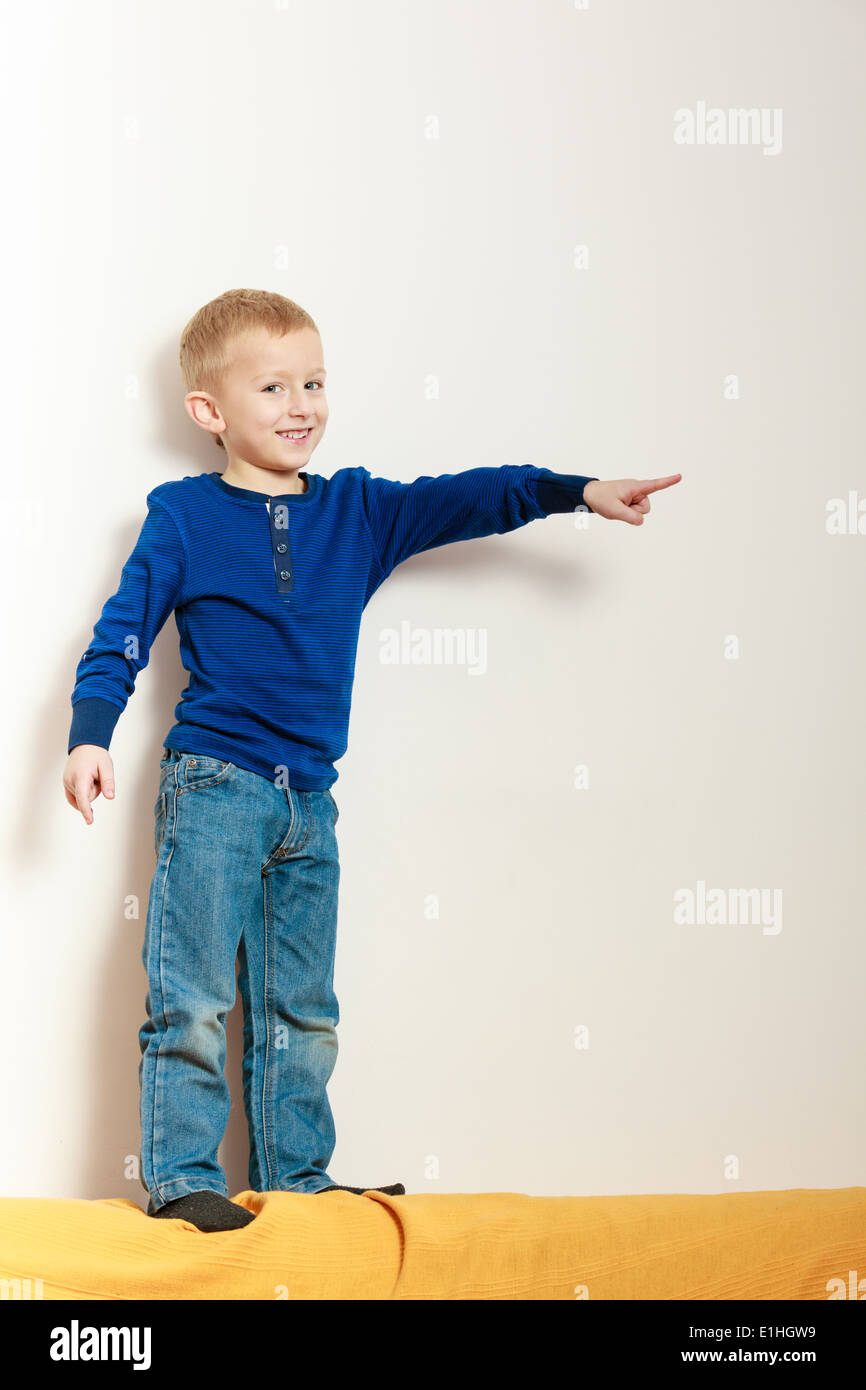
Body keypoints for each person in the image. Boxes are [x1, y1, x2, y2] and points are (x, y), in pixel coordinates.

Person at [62, 288, 681, 1232]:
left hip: (311, 800)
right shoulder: (184, 516)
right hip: (215, 788)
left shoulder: (356, 513)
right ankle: (183, 1181)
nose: (302, 403)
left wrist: (574, 491)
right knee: (190, 998)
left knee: (302, 1009)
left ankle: (299, 1185)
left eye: (314, 380)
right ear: (209, 411)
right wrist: (89, 734)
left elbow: (469, 495)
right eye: (273, 386)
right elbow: (121, 632)